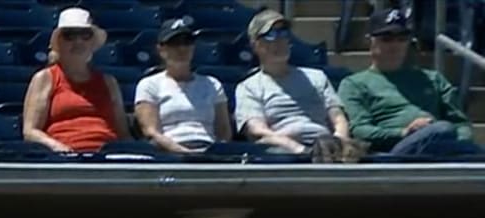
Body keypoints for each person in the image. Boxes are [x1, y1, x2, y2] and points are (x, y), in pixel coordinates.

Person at [338, 8, 479, 157]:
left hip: (442, 145)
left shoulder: (433, 79)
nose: (395, 44)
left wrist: (460, 140)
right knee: (441, 129)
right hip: (394, 152)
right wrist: (404, 132)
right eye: (386, 38)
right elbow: (360, 130)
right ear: (370, 42)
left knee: (460, 144)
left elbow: (460, 123)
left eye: (402, 38)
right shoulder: (354, 84)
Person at [235, 8, 353, 158]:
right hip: (282, 150)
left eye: (284, 33)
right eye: (271, 35)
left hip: (325, 146)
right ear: (255, 45)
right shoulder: (249, 87)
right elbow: (257, 131)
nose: (280, 41)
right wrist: (299, 150)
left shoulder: (317, 77)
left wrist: (340, 142)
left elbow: (338, 118)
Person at [23, 7, 130, 153]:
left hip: (108, 156)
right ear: (59, 42)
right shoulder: (46, 78)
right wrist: (56, 147)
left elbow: (123, 134)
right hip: (66, 158)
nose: (78, 41)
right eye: (69, 35)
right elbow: (30, 131)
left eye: (85, 35)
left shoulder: (108, 82)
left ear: (92, 42)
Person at [134, 19, 231, 153]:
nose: (182, 48)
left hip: (209, 151)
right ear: (161, 49)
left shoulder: (212, 84)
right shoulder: (149, 85)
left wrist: (215, 153)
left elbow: (224, 131)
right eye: (174, 43)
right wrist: (183, 152)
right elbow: (151, 132)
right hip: (169, 153)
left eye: (187, 42)